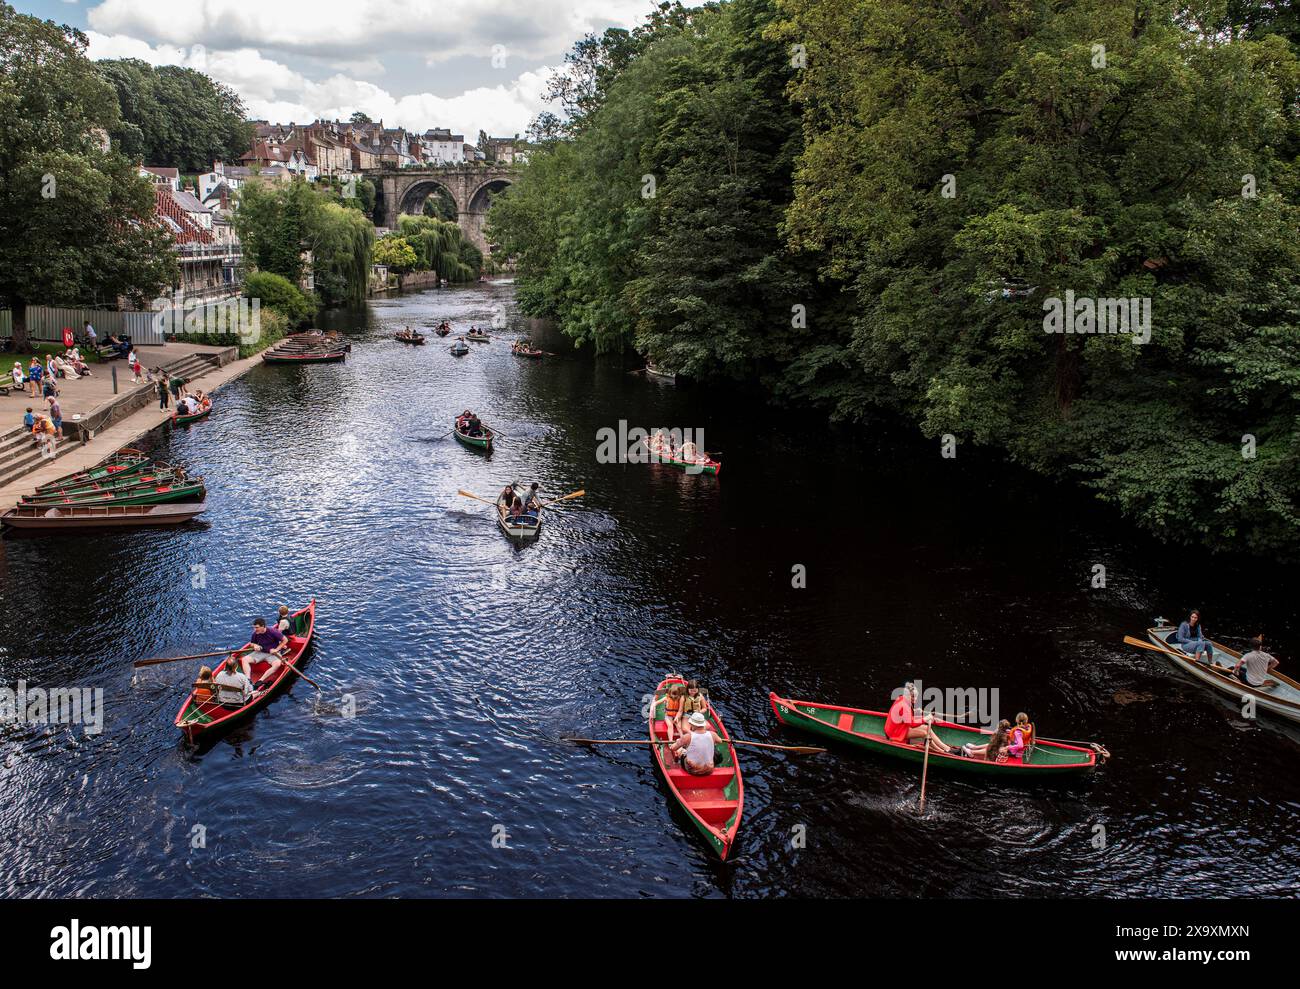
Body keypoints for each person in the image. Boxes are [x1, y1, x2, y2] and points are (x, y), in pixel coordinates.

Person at [883, 682, 960, 754]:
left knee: (927, 728)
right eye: (915, 697)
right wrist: (925, 719)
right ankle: (941, 751)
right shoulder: (904, 706)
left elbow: (907, 717)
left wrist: (917, 712)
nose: (916, 698)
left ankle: (947, 749)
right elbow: (912, 724)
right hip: (895, 733)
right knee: (924, 733)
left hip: (896, 728)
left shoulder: (902, 698)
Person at [239, 618, 290, 685]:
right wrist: (254, 645)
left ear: (263, 626)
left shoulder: (273, 631)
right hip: (261, 652)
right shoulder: (255, 633)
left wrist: (277, 649)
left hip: (273, 654)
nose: (255, 629)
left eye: (257, 627)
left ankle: (260, 681)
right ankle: (248, 679)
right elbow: (251, 643)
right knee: (244, 659)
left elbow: (285, 640)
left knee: (277, 664)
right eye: (254, 627)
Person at [662, 682, 687, 746]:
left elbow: (680, 710)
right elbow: (657, 702)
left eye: (675, 694)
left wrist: (677, 717)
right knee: (670, 726)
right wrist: (654, 704)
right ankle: (670, 741)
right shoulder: (667, 698)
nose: (674, 696)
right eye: (673, 694)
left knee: (679, 726)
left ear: (678, 694)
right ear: (670, 693)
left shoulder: (680, 698)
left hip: (676, 715)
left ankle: (683, 739)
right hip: (668, 716)